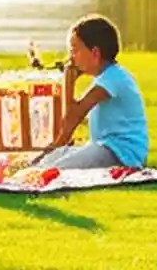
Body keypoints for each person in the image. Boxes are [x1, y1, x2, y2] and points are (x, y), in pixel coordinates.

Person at [33, 14, 149, 170]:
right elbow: (76, 117)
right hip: (104, 147)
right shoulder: (106, 77)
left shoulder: (112, 79)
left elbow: (74, 115)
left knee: (55, 170)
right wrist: (56, 149)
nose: (71, 59)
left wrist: (69, 81)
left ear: (95, 53)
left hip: (121, 152)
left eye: (74, 51)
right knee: (47, 162)